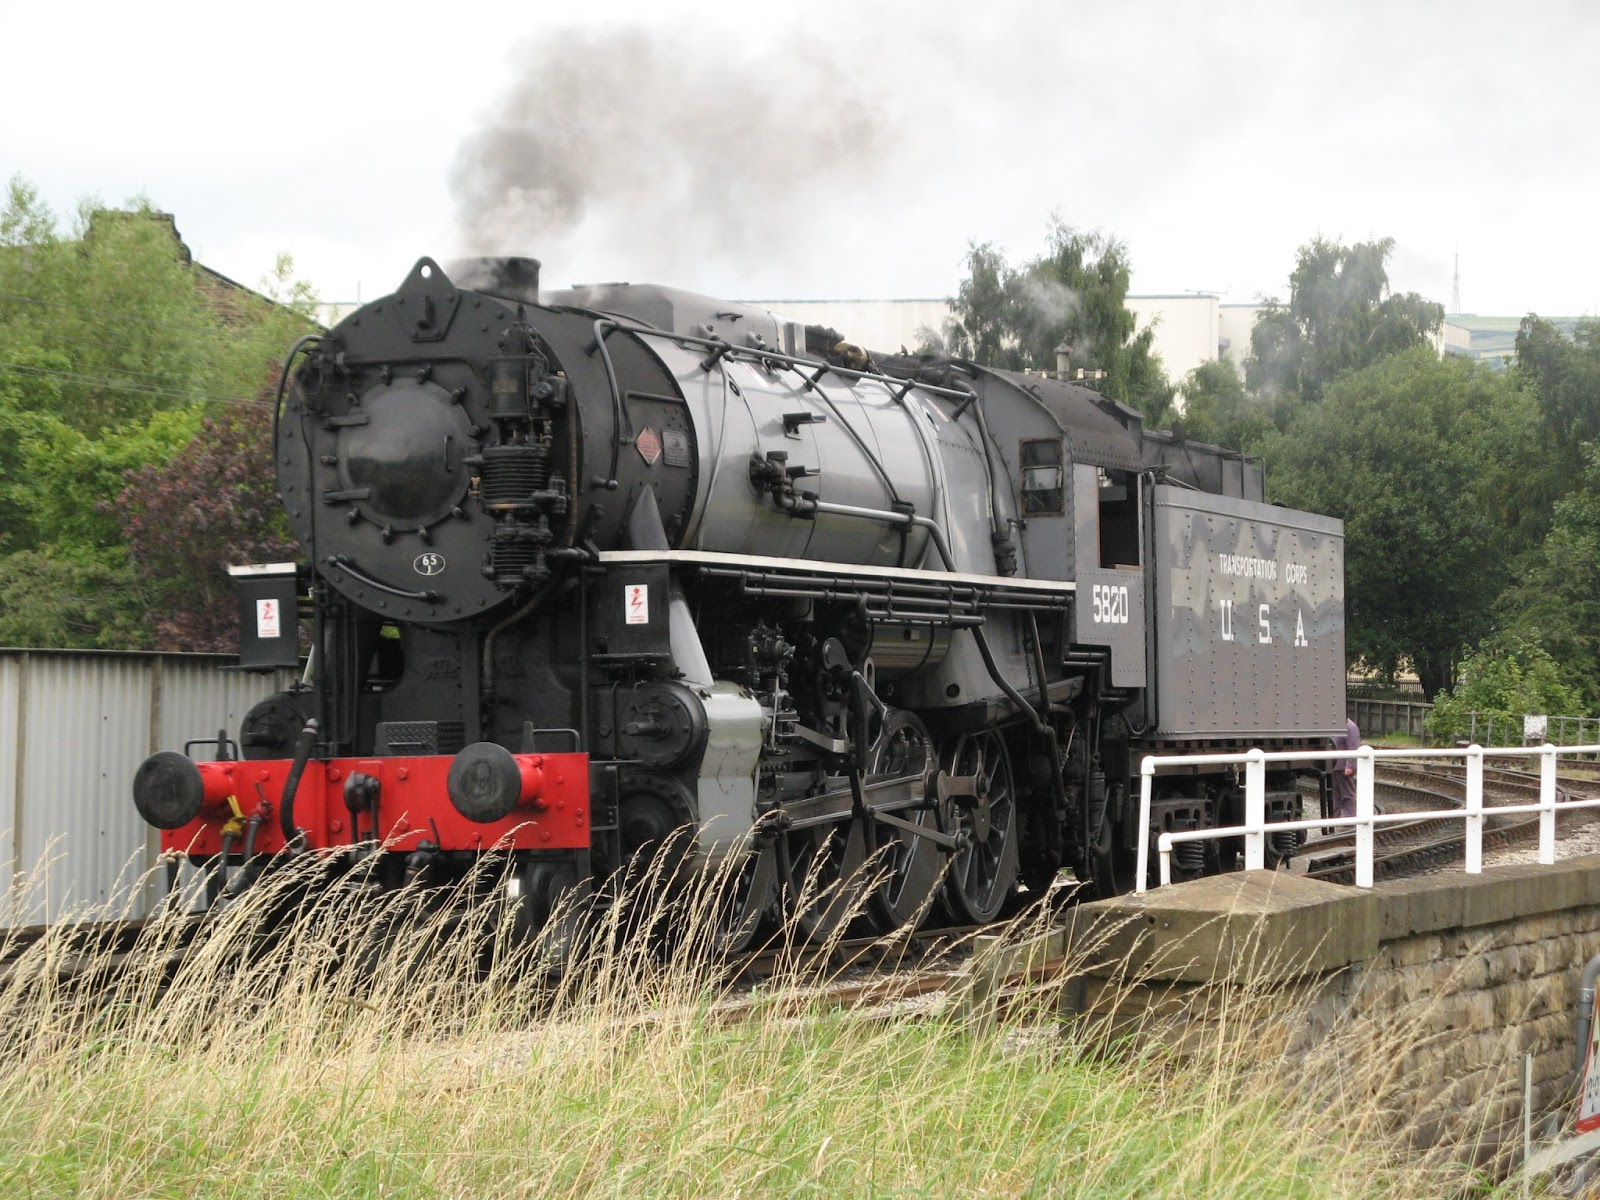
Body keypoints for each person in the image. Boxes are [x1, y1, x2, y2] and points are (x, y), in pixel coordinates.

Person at [1331, 717, 1361, 819]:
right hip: (1334, 765)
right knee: (1335, 795)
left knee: (1347, 793)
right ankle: (1335, 816)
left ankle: (1349, 816)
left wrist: (1350, 766)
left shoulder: (1350, 727)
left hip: (1343, 766)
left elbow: (1352, 747)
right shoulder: (1335, 726)